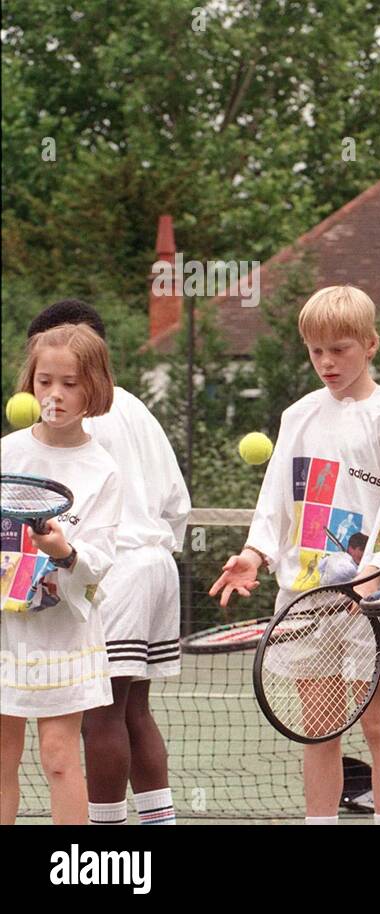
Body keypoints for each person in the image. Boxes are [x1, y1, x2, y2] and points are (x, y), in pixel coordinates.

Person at [209, 285, 380, 825]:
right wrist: (255, 553)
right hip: (307, 598)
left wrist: (375, 577)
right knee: (319, 726)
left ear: (371, 344)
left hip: (373, 599)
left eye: (341, 349)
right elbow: (276, 496)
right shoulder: (298, 415)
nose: (327, 362)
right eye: (316, 351)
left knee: (379, 725)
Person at [27, 299, 190, 826]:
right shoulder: (137, 406)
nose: (52, 387)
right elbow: (176, 503)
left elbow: (67, 521)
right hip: (155, 564)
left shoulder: (76, 422)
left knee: (100, 715)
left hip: (113, 571)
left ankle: (105, 842)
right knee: (133, 711)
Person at [0, 324, 122, 824]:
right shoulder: (7, 452)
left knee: (57, 759)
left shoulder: (103, 469)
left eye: (70, 383)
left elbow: (100, 561)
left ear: (94, 387)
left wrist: (64, 551)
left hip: (63, 635)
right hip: (6, 630)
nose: (55, 394)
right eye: (45, 380)